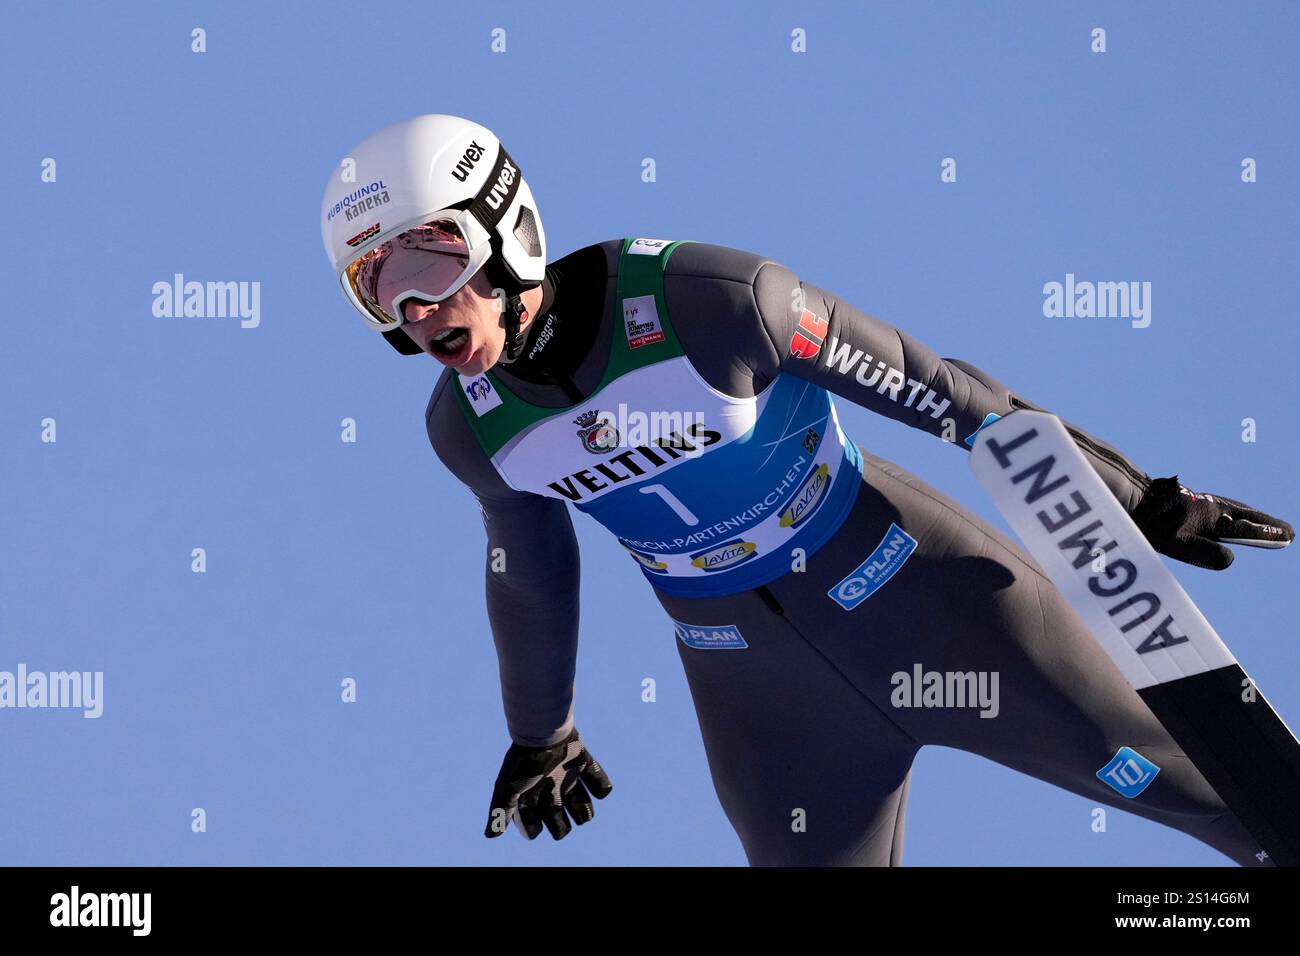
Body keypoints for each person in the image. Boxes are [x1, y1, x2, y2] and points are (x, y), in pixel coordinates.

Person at [320, 114, 1294, 865]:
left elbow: (954, 399)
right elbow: (530, 575)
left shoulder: (708, 299)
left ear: (505, 227)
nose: (417, 308)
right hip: (759, 692)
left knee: (1236, 808)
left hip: (925, 600)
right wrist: (543, 733)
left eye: (429, 258)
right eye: (378, 287)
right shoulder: (470, 428)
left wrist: (1131, 497)